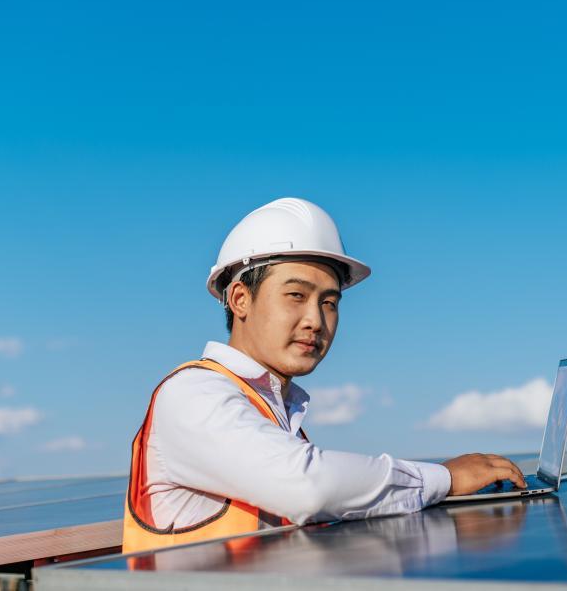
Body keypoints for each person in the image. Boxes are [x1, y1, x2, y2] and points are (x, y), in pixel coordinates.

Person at [122, 198, 525, 552]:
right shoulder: (193, 394)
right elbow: (307, 486)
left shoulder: (272, 409)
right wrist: (444, 479)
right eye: (296, 296)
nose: (315, 320)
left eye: (329, 302)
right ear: (240, 299)